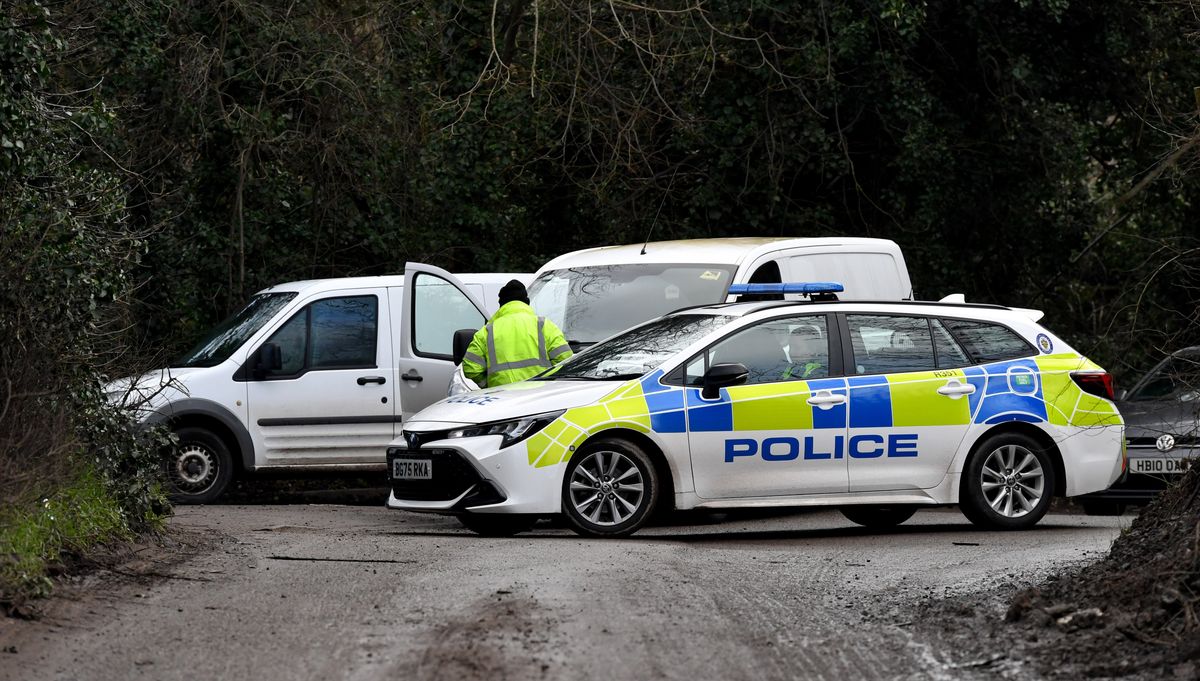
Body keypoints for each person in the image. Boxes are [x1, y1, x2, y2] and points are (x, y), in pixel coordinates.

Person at [462, 280, 573, 388]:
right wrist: (549, 382)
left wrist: (489, 384)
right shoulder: (544, 325)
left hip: (502, 396)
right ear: (526, 302)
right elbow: (565, 358)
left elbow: (471, 368)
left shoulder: (487, 331)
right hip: (539, 395)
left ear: (502, 304)